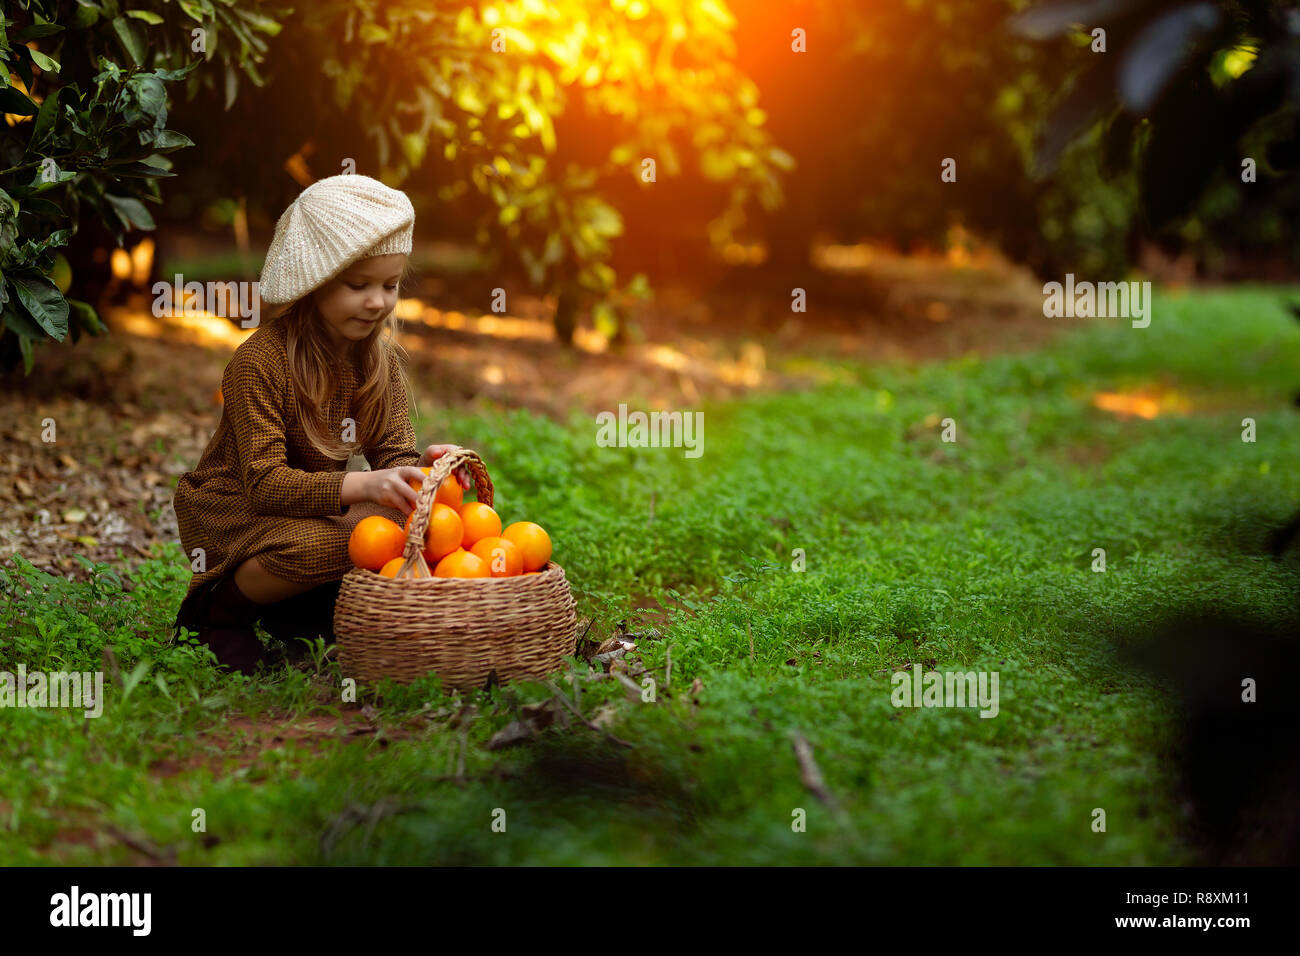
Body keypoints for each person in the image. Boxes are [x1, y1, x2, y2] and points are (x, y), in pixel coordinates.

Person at [171, 174, 468, 674]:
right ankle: (214, 615)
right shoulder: (259, 362)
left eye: (390, 285)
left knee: (399, 523)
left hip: (309, 504)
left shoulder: (379, 361)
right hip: (235, 509)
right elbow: (265, 484)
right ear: (315, 282)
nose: (377, 302)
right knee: (336, 541)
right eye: (358, 286)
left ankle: (298, 612)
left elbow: (392, 453)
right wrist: (361, 485)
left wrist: (417, 474)